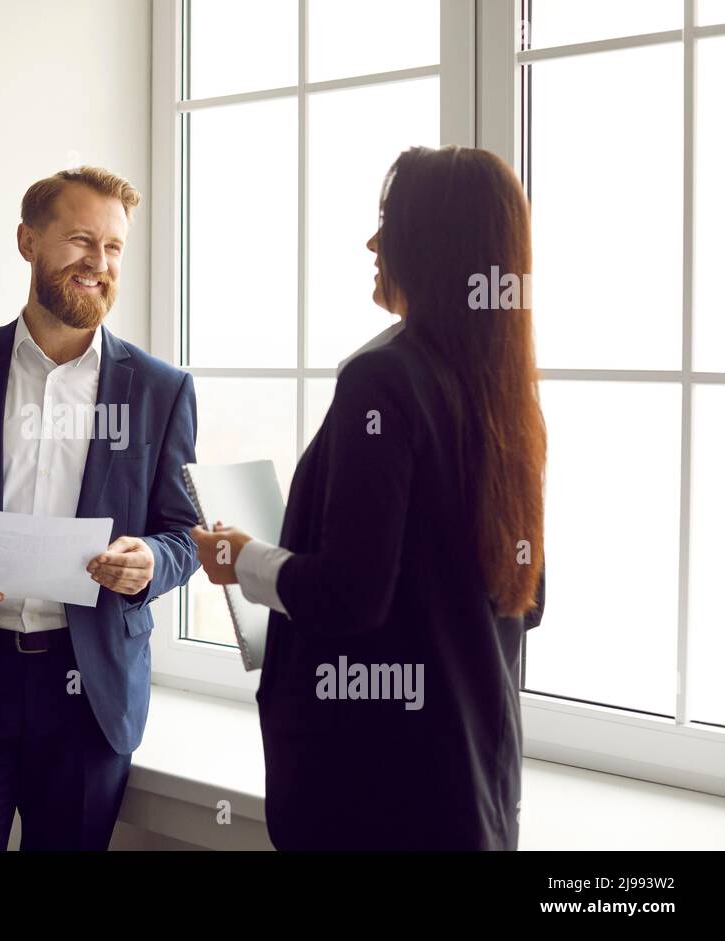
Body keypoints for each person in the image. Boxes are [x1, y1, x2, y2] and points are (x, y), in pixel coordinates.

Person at [192, 145, 547, 850]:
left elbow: (353, 596)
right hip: (473, 793)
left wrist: (245, 558)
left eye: (388, 220)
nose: (372, 241)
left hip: (375, 795)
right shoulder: (507, 395)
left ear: (432, 242)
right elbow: (527, 600)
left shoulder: (383, 381)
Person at [0, 167, 199, 850]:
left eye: (114, 248)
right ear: (28, 241)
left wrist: (152, 562)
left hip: (92, 695)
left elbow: (185, 534)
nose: (100, 263)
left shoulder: (160, 388)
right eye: (81, 240)